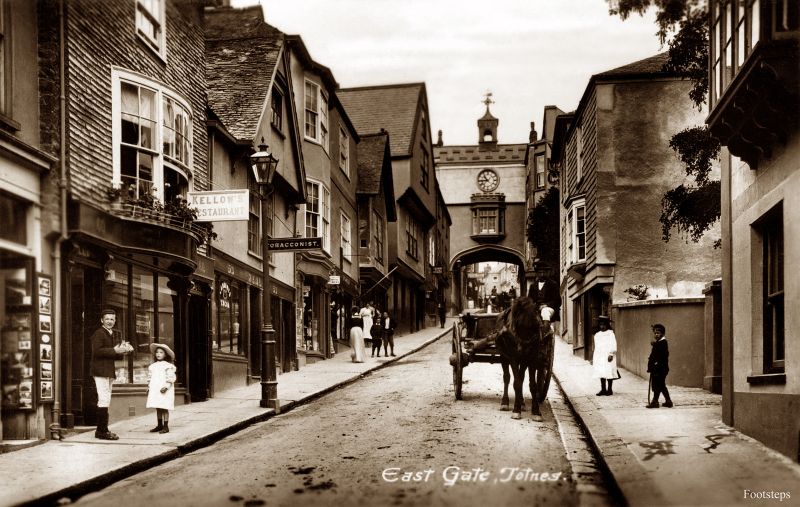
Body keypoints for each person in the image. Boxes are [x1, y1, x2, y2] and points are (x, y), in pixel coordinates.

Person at [90, 309, 133, 440]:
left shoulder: (111, 333)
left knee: (106, 399)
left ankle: (103, 429)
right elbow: (97, 351)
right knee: (103, 399)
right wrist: (115, 350)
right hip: (100, 371)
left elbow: (113, 355)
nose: (110, 321)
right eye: (107, 319)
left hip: (108, 370)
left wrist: (124, 351)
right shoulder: (99, 333)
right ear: (101, 320)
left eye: (112, 319)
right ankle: (101, 431)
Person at [146, 343, 177, 434]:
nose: (158, 354)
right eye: (157, 352)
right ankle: (159, 425)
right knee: (158, 407)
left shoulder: (168, 366)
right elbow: (150, 378)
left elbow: (171, 378)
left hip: (164, 389)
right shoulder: (153, 366)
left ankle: (166, 426)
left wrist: (166, 387)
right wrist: (149, 387)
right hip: (155, 388)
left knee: (164, 407)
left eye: (161, 352)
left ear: (165, 354)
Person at [647, 323, 673, 408]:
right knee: (661, 385)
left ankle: (655, 401)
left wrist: (655, 363)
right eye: (655, 333)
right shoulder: (659, 343)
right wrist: (655, 345)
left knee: (658, 385)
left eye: (658, 333)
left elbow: (663, 355)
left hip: (660, 369)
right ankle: (668, 401)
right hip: (659, 368)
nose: (656, 335)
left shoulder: (663, 343)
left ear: (662, 334)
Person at [527, 269, 560, 335]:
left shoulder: (553, 284)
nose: (542, 274)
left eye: (544, 272)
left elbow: (558, 300)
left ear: (547, 273)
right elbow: (529, 300)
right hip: (536, 308)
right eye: (540, 272)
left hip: (549, 308)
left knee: (545, 311)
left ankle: (545, 333)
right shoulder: (533, 286)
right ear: (537, 274)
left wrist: (546, 305)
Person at [592, 316, 618, 396]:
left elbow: (613, 344)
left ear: (607, 325)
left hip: (608, 356)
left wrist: (611, 354)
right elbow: (596, 346)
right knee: (601, 371)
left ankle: (609, 389)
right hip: (599, 356)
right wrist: (594, 357)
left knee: (609, 371)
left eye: (604, 325)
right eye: (600, 325)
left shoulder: (610, 333)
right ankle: (603, 389)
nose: (602, 326)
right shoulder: (597, 334)